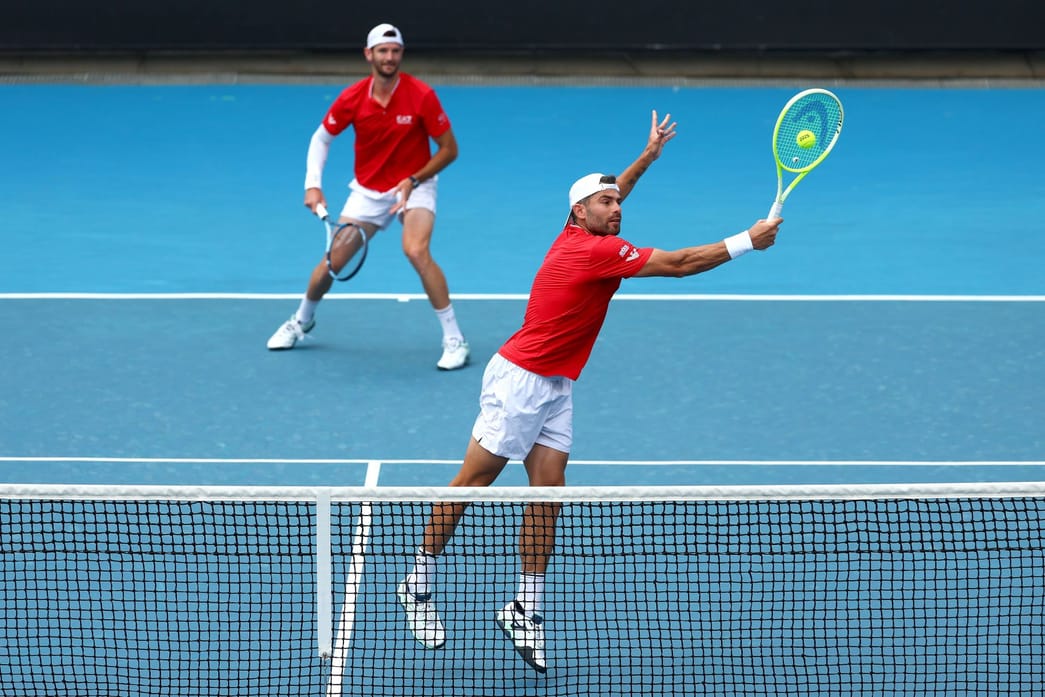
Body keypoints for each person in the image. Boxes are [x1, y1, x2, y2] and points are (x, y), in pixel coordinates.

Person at [396, 110, 782, 673]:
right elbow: (677, 264)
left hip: (556, 384)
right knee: (473, 483)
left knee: (548, 493)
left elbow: (613, 189)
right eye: (607, 204)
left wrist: (646, 158)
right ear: (582, 213)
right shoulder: (592, 252)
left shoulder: (583, 228)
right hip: (520, 381)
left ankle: (525, 608)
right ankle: (418, 583)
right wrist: (749, 240)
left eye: (617, 200)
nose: (617, 206)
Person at [267, 22, 470, 371]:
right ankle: (302, 320)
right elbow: (321, 138)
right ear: (369, 54)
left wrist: (413, 179)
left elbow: (449, 149)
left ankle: (455, 339)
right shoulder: (352, 97)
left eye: (395, 51)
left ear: (401, 54)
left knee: (416, 251)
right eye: (382, 51)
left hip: (415, 186)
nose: (389, 57)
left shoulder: (421, 95)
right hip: (368, 191)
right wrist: (312, 184)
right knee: (332, 264)